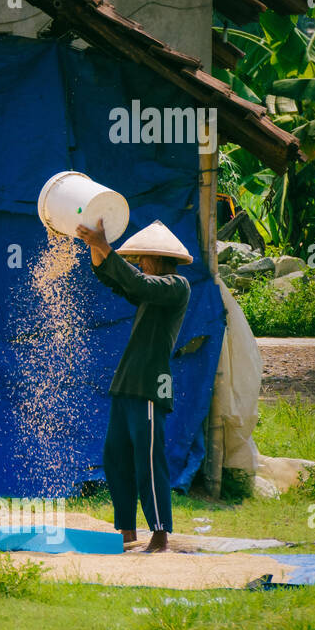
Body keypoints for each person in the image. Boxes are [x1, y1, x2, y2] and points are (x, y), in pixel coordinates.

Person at [75, 218, 192, 553]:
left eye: (143, 259)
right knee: (117, 460)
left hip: (152, 387)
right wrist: (98, 254)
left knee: (149, 462)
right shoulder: (150, 292)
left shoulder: (176, 287)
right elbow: (123, 284)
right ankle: (127, 531)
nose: (139, 264)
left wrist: (105, 248)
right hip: (127, 384)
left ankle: (159, 535)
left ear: (158, 261)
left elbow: (138, 284)